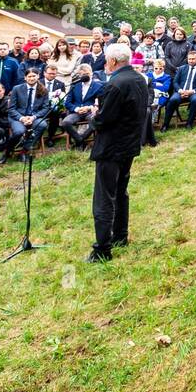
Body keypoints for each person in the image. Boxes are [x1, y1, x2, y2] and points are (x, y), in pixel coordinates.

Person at [87, 44, 148, 262]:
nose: (105, 64)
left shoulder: (115, 84)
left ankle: (102, 248)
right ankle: (120, 235)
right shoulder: (139, 79)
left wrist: (94, 115)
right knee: (121, 191)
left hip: (111, 147)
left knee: (104, 197)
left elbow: (104, 120)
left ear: (113, 61)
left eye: (106, 60)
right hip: (129, 145)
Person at [3, 67, 50, 163]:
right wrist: (21, 118)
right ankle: (7, 151)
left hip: (34, 116)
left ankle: (24, 151)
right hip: (18, 117)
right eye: (29, 76)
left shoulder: (44, 90)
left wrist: (33, 117)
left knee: (42, 125)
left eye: (34, 76)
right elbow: (11, 108)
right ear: (25, 77)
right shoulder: (17, 89)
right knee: (19, 131)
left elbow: (45, 108)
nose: (31, 78)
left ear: (38, 76)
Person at [163, 49, 196, 129]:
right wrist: (180, 91)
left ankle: (189, 123)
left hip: (194, 92)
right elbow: (175, 82)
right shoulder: (181, 68)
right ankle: (165, 125)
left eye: (193, 59)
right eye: (189, 59)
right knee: (172, 100)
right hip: (181, 91)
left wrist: (192, 91)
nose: (191, 61)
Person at [62, 63, 104, 147]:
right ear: (79, 75)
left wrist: (89, 107)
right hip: (76, 112)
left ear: (91, 73)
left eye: (87, 74)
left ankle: (80, 140)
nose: (85, 76)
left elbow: (100, 102)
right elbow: (67, 103)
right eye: (82, 74)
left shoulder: (98, 86)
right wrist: (77, 109)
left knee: (95, 121)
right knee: (66, 122)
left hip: (90, 112)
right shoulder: (74, 85)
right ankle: (81, 141)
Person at [146, 59, 171, 145]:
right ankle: (147, 126)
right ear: (153, 68)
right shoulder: (148, 74)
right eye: (156, 68)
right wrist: (158, 84)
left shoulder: (167, 77)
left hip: (161, 96)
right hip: (149, 95)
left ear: (163, 68)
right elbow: (145, 85)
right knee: (148, 105)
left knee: (155, 106)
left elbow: (166, 88)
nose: (158, 70)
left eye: (160, 68)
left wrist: (153, 84)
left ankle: (150, 124)